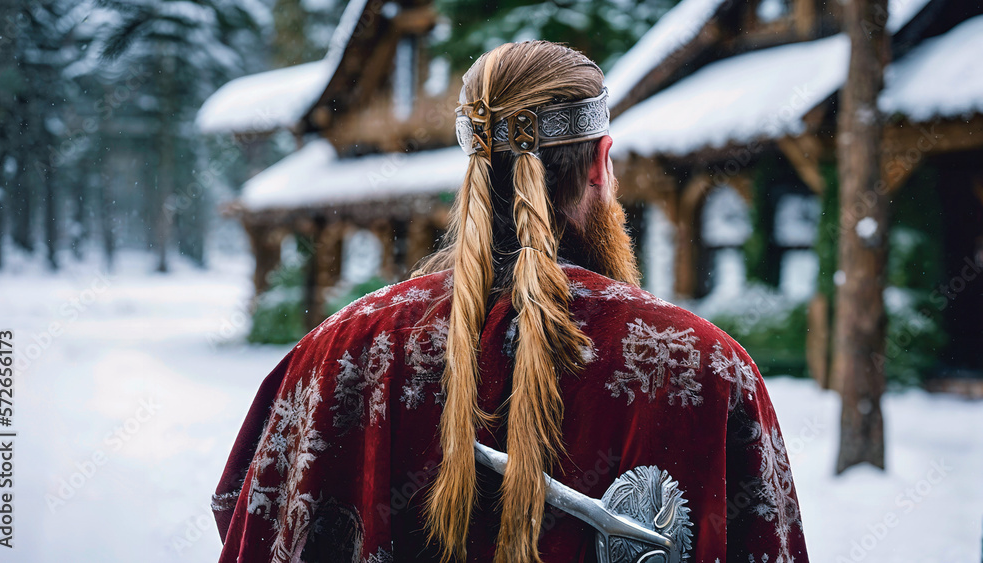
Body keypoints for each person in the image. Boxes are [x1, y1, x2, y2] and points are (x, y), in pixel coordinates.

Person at [213, 41, 808, 563]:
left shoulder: (337, 352)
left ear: (472, 169)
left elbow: (247, 516)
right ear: (602, 163)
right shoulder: (705, 367)